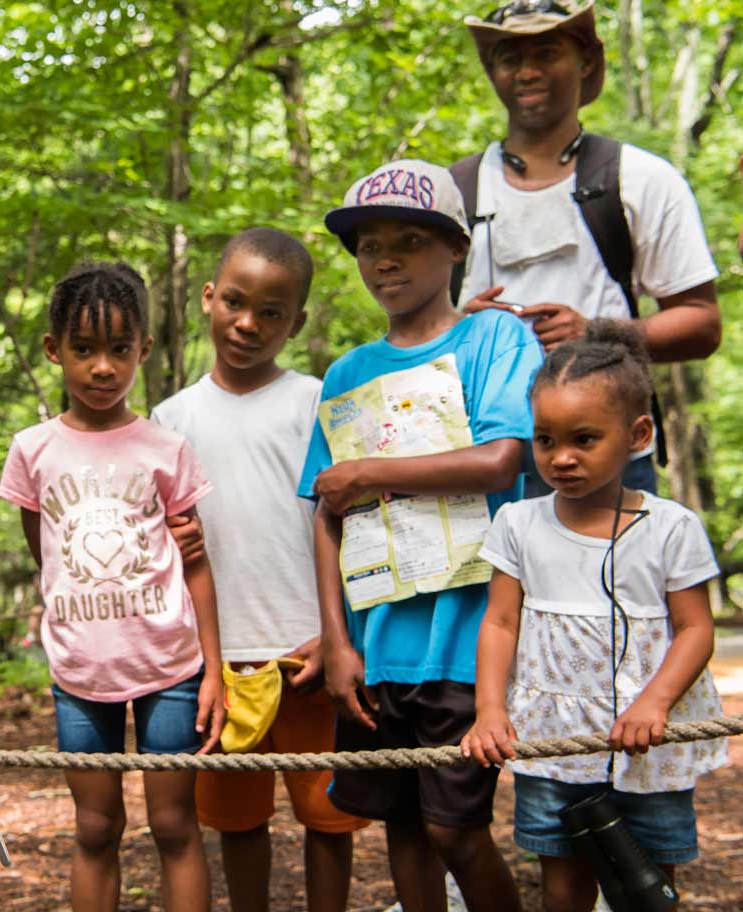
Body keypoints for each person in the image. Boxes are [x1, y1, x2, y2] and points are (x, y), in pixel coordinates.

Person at [300, 159, 544, 912]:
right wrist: (337, 642)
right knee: (399, 826)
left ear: (456, 250)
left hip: (467, 640)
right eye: (371, 246)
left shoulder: (492, 341)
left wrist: (372, 471)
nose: (387, 259)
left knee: (455, 829)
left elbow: (503, 458)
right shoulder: (346, 374)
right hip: (377, 645)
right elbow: (326, 510)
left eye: (410, 240)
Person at [461, 321, 727, 912]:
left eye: (584, 439)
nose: (562, 458)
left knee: (648, 886)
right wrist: (490, 710)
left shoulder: (671, 527)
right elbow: (500, 623)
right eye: (545, 439)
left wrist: (654, 703)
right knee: (562, 883)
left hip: (649, 745)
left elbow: (695, 628)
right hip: (553, 738)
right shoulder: (519, 524)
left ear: (637, 434)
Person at [0, 261, 225, 912]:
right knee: (96, 828)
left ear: (143, 352)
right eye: (85, 349)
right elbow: (44, 548)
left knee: (175, 824)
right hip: (78, 673)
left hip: (170, 666)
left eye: (120, 350)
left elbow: (196, 562)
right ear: (53, 351)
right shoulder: (32, 451)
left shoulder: (167, 448)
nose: (103, 367)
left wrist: (213, 671)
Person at [151, 228, 369, 912]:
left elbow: (351, 523)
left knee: (328, 820)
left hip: (309, 652)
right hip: (218, 665)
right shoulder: (171, 417)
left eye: (271, 312)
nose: (248, 323)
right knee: (237, 822)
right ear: (209, 299)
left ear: (296, 322)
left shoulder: (317, 403)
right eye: (236, 303)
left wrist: (342, 635)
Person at [457, 0, 721, 496]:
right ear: (492, 72)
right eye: (510, 57)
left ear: (584, 62)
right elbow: (413, 332)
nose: (528, 71)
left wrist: (595, 332)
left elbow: (702, 325)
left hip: (610, 458)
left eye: (547, 52)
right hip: (482, 458)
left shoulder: (642, 179)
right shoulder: (456, 191)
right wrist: (462, 329)